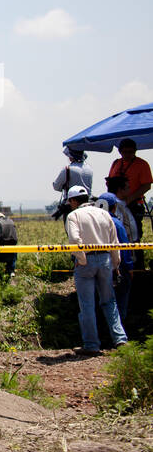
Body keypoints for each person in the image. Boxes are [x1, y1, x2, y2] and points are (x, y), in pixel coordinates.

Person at [63, 186, 127, 356]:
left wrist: (81, 259)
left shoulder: (74, 216)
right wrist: (116, 264)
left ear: (74, 201)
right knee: (109, 301)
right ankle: (120, 339)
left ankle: (91, 345)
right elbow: (114, 242)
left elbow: (75, 239)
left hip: (86, 262)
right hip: (105, 259)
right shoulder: (104, 214)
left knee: (87, 305)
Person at [108, 138, 151, 263]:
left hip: (133, 204)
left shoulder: (142, 164)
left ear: (135, 151)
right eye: (125, 152)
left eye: (131, 152)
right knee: (116, 234)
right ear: (120, 151)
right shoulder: (116, 163)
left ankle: (138, 267)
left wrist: (129, 199)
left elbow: (147, 185)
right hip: (116, 204)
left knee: (134, 235)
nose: (128, 155)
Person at [97, 192, 135, 328]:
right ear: (114, 208)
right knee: (120, 301)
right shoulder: (117, 224)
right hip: (119, 268)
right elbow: (124, 248)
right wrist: (129, 268)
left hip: (99, 267)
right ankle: (120, 331)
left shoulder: (94, 223)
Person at [51, 145, 92, 218]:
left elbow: (56, 187)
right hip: (87, 204)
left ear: (71, 156)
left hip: (71, 206)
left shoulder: (68, 169)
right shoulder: (89, 169)